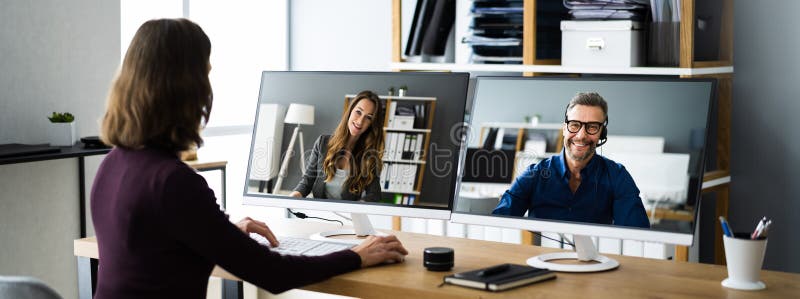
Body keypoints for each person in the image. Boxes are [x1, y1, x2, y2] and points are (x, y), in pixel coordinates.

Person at [91, 18, 407, 299]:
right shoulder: (174, 182)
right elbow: (272, 273)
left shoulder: (112, 164)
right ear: (187, 88)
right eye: (206, 74)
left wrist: (222, 234)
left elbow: (162, 248)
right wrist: (356, 255)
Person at [492, 92, 650, 228]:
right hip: (541, 261)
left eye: (592, 127)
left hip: (596, 262)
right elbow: (497, 225)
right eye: (574, 125)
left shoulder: (617, 176)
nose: (581, 135)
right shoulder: (534, 174)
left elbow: (638, 237)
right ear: (564, 128)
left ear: (602, 132)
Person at [289, 90, 384, 201]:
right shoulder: (323, 143)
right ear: (350, 111)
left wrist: (358, 206)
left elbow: (375, 194)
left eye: (368, 117)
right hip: (319, 210)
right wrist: (293, 197)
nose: (360, 121)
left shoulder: (369, 156)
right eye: (358, 112)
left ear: (371, 124)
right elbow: (307, 181)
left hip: (347, 215)